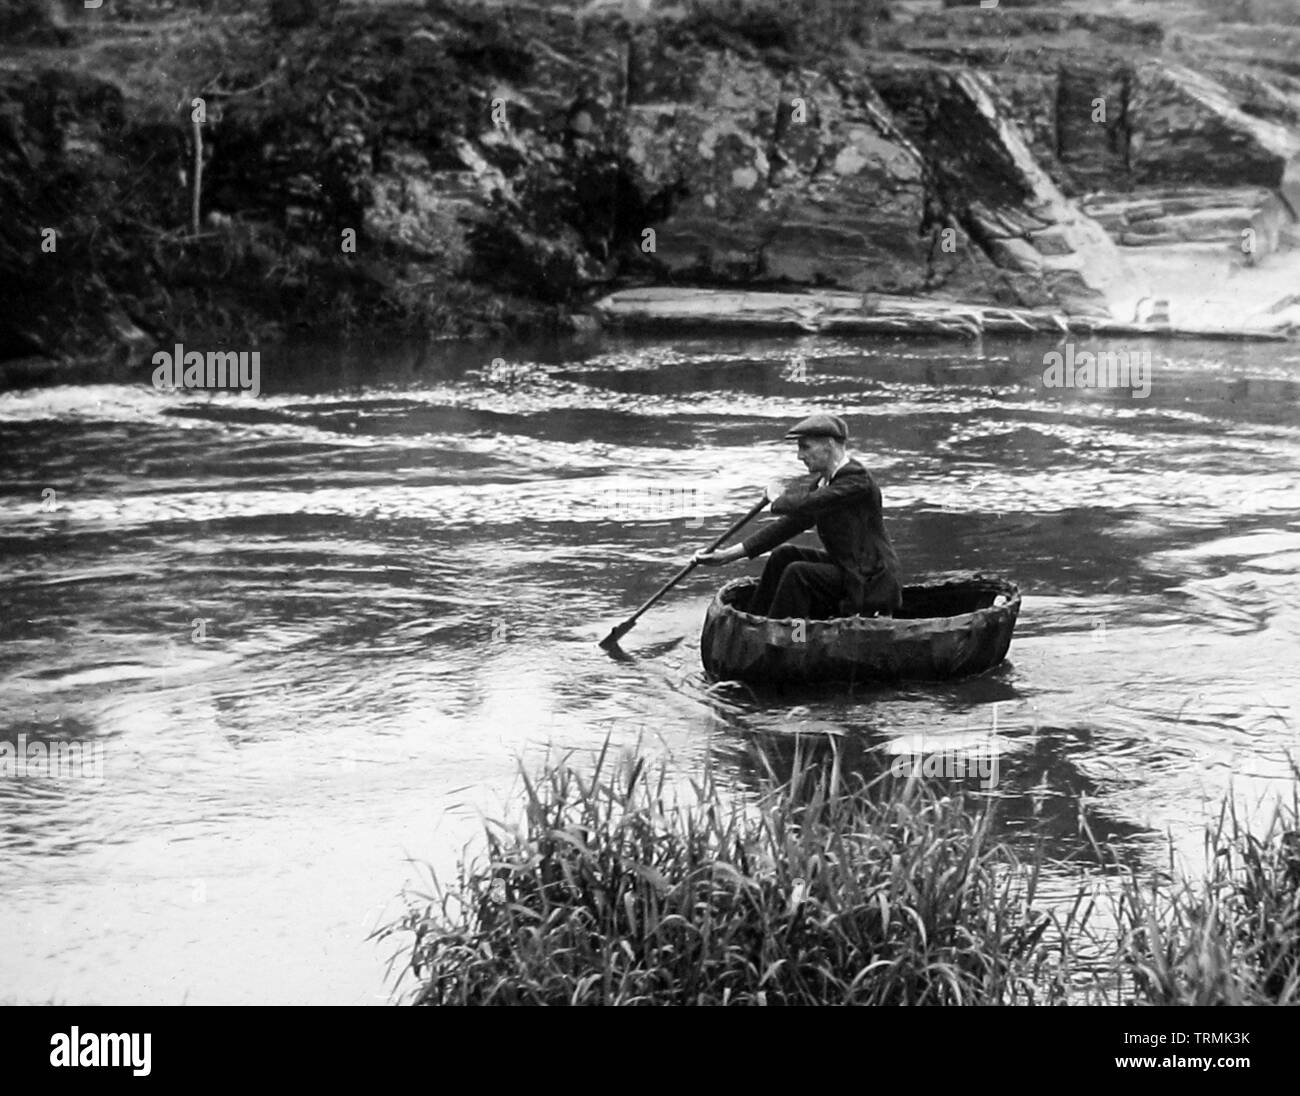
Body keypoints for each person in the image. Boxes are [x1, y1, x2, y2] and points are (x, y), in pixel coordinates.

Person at [693, 414, 903, 620]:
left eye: (805, 447)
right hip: (849, 570)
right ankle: (755, 623)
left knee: (798, 573)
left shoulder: (856, 479)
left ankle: (794, 640)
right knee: (783, 556)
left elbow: (812, 502)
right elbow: (789, 525)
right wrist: (727, 555)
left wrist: (778, 500)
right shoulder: (825, 483)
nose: (799, 456)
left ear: (828, 445)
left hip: (870, 581)